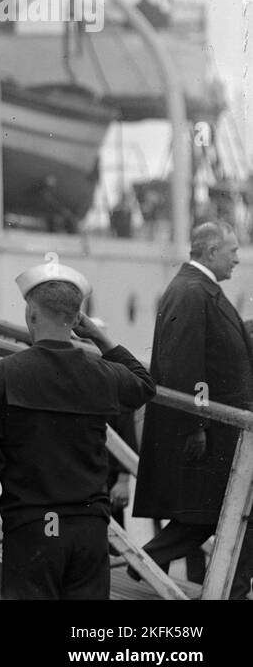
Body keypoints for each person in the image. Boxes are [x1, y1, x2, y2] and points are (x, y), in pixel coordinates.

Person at [0, 262, 156, 599]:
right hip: (90, 531)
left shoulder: (2, 376)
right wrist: (97, 335)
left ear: (31, 314)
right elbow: (144, 384)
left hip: (33, 528)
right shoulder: (101, 372)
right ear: (77, 318)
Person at [133, 220, 253, 597]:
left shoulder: (197, 290)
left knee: (212, 512)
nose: (237, 258)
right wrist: (195, 424)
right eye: (232, 251)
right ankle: (153, 563)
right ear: (211, 251)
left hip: (216, 431)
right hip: (212, 433)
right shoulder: (190, 292)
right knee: (224, 511)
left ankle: (152, 562)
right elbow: (184, 366)